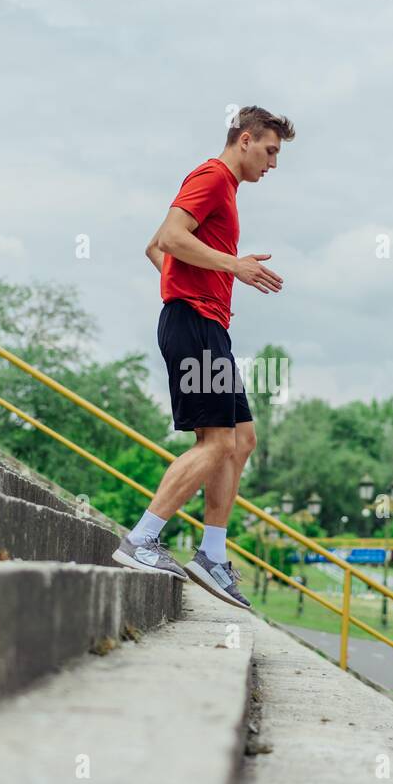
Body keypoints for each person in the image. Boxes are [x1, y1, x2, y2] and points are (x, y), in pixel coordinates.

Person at [112, 106, 295, 611]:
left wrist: (193, 277)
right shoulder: (213, 176)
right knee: (215, 443)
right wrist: (225, 269)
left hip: (205, 322)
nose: (273, 164)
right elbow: (169, 238)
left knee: (241, 440)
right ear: (244, 139)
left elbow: (158, 248)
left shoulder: (225, 190)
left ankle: (212, 555)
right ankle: (142, 540)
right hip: (194, 323)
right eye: (270, 151)